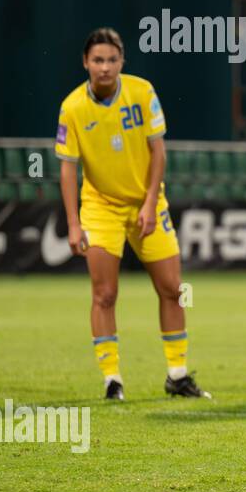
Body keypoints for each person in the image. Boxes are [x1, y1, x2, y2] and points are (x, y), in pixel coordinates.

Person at [55, 27, 207, 400]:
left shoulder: (142, 92)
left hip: (147, 204)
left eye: (111, 60)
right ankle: (112, 380)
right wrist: (73, 224)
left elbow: (159, 152)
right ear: (86, 63)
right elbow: (67, 168)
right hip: (100, 207)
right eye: (97, 60)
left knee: (173, 288)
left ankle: (178, 375)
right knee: (105, 293)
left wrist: (151, 203)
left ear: (121, 62)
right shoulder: (72, 107)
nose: (105, 67)